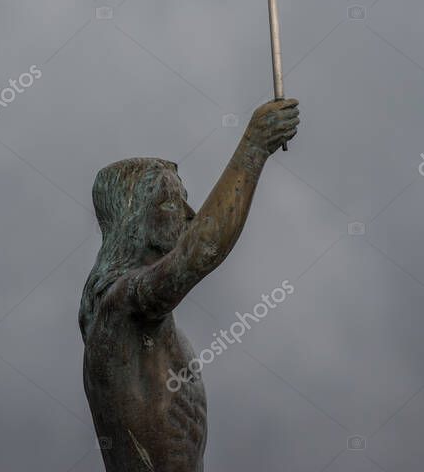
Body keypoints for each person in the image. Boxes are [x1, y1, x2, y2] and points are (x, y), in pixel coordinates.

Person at [79, 98, 299, 471]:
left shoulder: (154, 324)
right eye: (171, 203)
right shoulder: (120, 307)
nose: (189, 214)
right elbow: (200, 252)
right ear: (136, 220)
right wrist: (253, 149)